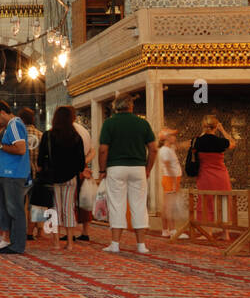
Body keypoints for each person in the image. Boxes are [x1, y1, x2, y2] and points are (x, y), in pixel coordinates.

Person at [97, 93, 157, 254]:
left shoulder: (109, 123)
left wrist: (102, 170)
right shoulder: (142, 123)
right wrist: (148, 168)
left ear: (116, 107)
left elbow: (103, 150)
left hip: (116, 168)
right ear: (131, 106)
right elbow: (153, 148)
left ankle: (115, 244)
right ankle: (141, 245)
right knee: (139, 204)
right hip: (138, 168)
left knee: (117, 204)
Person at [36, 105, 85, 251]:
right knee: (69, 208)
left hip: (53, 178)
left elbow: (40, 159)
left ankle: (56, 242)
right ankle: (70, 242)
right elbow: (81, 161)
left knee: (55, 209)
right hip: (71, 178)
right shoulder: (76, 137)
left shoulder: (48, 136)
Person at [0, 100, 29, 255]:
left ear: (3, 113)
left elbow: (21, 149)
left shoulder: (15, 125)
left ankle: (18, 245)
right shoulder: (10, 126)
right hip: (8, 173)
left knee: (15, 209)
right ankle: (14, 242)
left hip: (14, 173)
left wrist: (0, 146)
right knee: (9, 209)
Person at [193, 115, 237, 239]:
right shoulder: (220, 141)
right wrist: (222, 130)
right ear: (216, 127)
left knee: (206, 202)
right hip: (221, 176)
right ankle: (225, 233)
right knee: (223, 201)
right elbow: (233, 143)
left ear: (203, 126)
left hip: (205, 175)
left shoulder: (198, 140)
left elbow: (196, 143)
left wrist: (204, 131)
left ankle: (208, 231)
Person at [20, 108, 44, 241]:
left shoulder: (18, 134)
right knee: (35, 204)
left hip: (20, 174)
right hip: (36, 174)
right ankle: (31, 232)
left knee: (18, 203)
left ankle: (19, 230)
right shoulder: (40, 135)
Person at [71, 115, 95, 242]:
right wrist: (84, 163)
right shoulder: (84, 130)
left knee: (71, 200)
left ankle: (71, 233)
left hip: (70, 167)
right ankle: (85, 232)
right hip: (83, 166)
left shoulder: (68, 130)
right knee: (84, 199)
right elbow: (93, 151)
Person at [156, 129, 183, 239]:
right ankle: (172, 231)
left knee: (167, 205)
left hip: (171, 178)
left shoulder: (169, 148)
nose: (174, 137)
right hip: (170, 179)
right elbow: (167, 166)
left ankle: (165, 230)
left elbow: (180, 146)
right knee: (170, 206)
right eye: (172, 135)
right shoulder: (165, 150)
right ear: (166, 138)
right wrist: (174, 181)